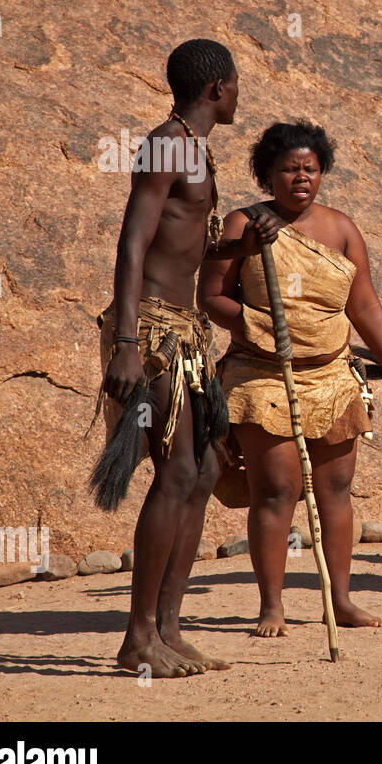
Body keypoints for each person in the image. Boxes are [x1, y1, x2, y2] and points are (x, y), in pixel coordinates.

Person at [95, 38, 277, 678]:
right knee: (175, 476)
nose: (238, 95)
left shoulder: (193, 150)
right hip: (151, 333)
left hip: (185, 331)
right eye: (236, 85)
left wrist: (246, 242)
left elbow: (187, 250)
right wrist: (123, 341)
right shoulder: (168, 145)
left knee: (200, 473)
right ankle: (137, 638)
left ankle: (168, 626)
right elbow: (133, 242)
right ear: (216, 89)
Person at [198, 121, 382, 635]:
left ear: (322, 173)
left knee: (337, 490)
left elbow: (364, 304)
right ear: (267, 174)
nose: (300, 178)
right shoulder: (242, 225)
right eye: (289, 169)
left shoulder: (340, 228)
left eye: (309, 169)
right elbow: (210, 297)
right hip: (263, 375)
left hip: (333, 374)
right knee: (277, 490)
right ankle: (272, 605)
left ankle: (339, 601)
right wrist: (259, 323)